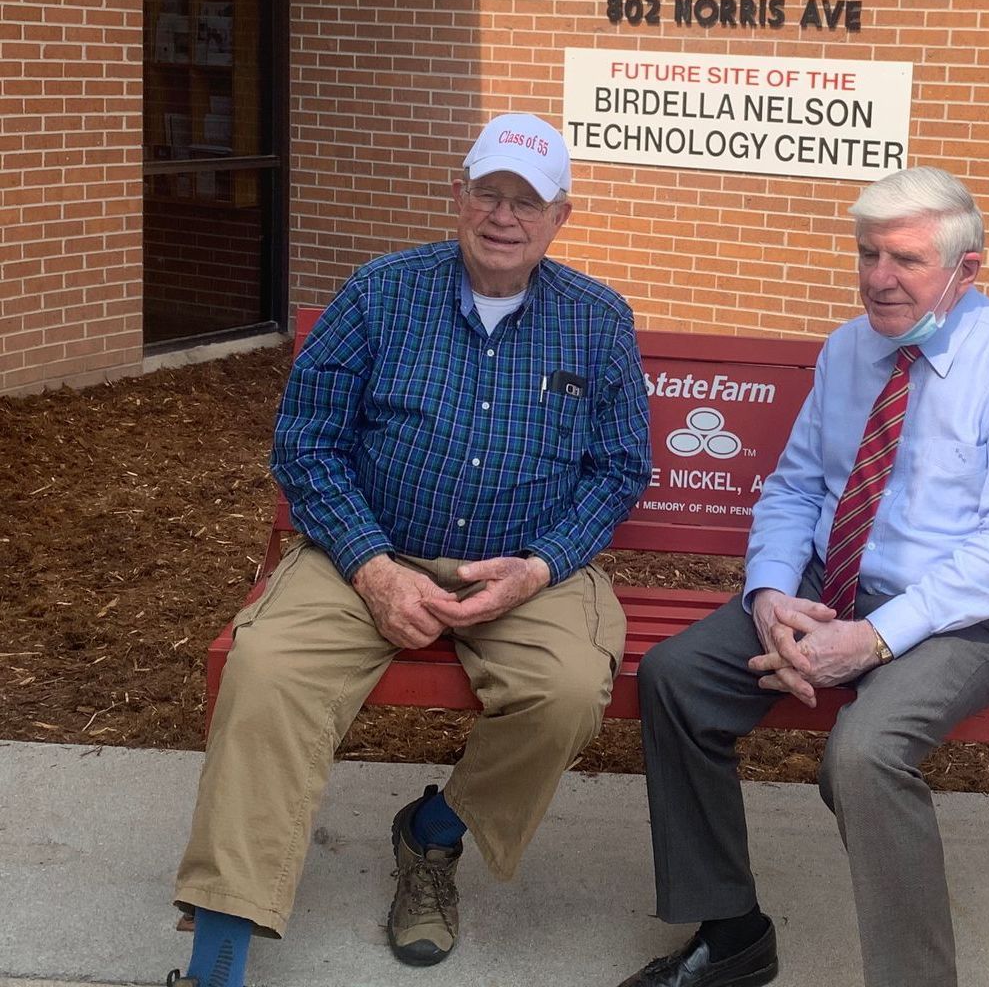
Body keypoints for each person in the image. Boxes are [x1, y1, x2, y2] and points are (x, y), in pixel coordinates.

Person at [167, 113, 650, 987]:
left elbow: (618, 474)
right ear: (456, 197)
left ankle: (436, 833)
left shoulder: (598, 320)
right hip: (367, 551)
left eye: (528, 202)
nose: (505, 216)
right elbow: (306, 442)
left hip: (528, 565)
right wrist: (372, 564)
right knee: (268, 668)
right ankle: (219, 954)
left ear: (561, 218)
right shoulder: (380, 291)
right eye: (490, 193)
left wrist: (539, 566)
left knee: (571, 688)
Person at [617, 166, 989, 987]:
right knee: (676, 678)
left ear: (967, 271)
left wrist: (871, 639)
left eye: (904, 260)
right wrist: (767, 597)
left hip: (969, 618)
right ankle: (732, 936)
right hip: (834, 587)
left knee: (862, 754)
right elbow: (797, 486)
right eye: (867, 254)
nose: (877, 278)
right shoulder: (847, 348)